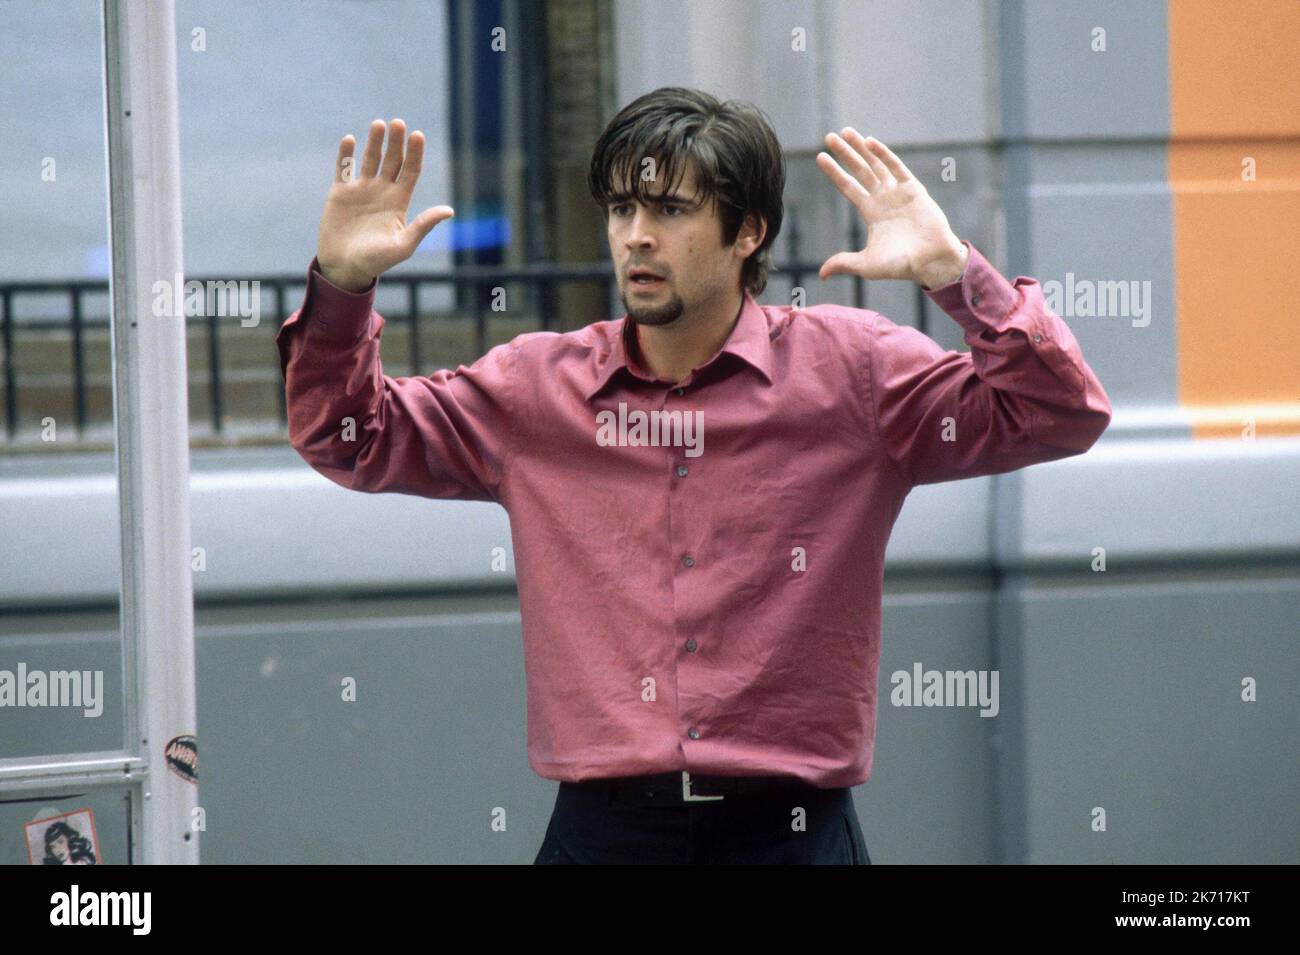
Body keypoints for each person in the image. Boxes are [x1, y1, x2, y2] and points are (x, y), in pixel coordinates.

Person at [275, 86, 1111, 864]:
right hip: (603, 830)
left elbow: (1062, 411)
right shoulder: (537, 389)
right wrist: (343, 288)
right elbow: (350, 438)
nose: (636, 234)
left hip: (789, 833)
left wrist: (953, 273)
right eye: (623, 208)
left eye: (671, 210)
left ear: (747, 231)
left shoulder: (853, 374)